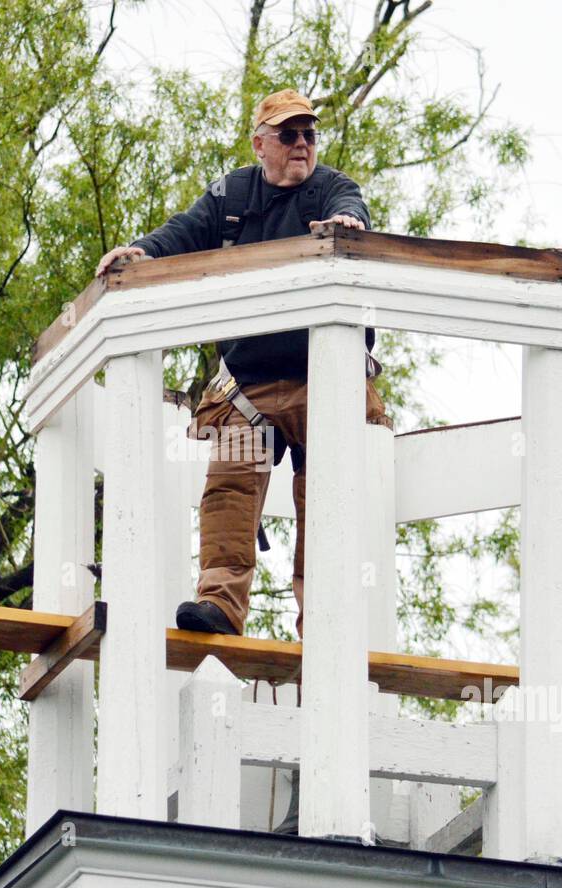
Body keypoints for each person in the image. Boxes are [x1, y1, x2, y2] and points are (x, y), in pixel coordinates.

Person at [95, 88, 391, 643]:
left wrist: (350, 226)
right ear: (260, 144)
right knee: (229, 489)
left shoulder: (331, 188)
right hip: (249, 390)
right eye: (288, 134)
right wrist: (141, 252)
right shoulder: (232, 195)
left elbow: (354, 210)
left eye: (309, 133)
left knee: (327, 495)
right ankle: (221, 606)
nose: (302, 143)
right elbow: (184, 232)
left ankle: (323, 622)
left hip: (321, 385)